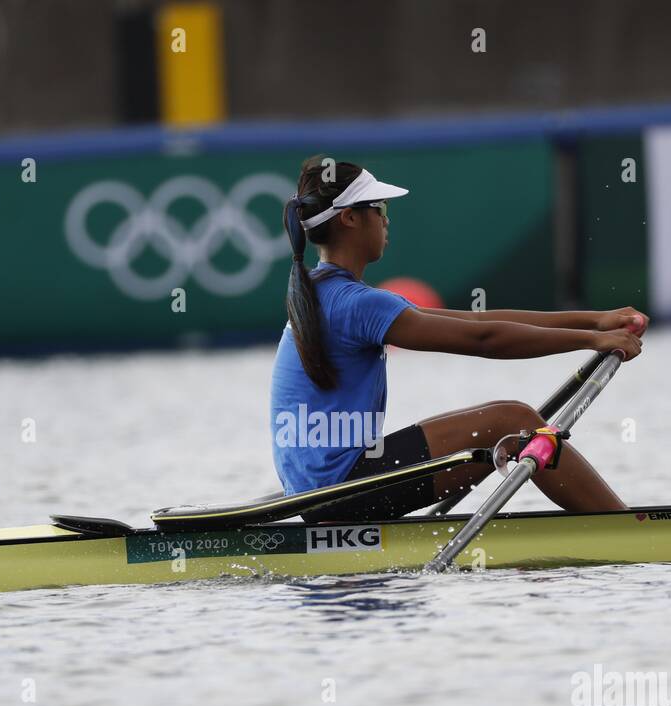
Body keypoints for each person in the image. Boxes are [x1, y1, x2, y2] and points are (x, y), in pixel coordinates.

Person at [270, 156, 646, 522]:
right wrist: (590, 340)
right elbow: (483, 338)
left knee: (506, 415)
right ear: (350, 218)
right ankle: (627, 530)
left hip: (319, 491)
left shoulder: (321, 292)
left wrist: (595, 322)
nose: (386, 219)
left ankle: (617, 524)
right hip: (340, 491)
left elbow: (477, 320)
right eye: (380, 207)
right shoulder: (356, 303)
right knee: (511, 421)